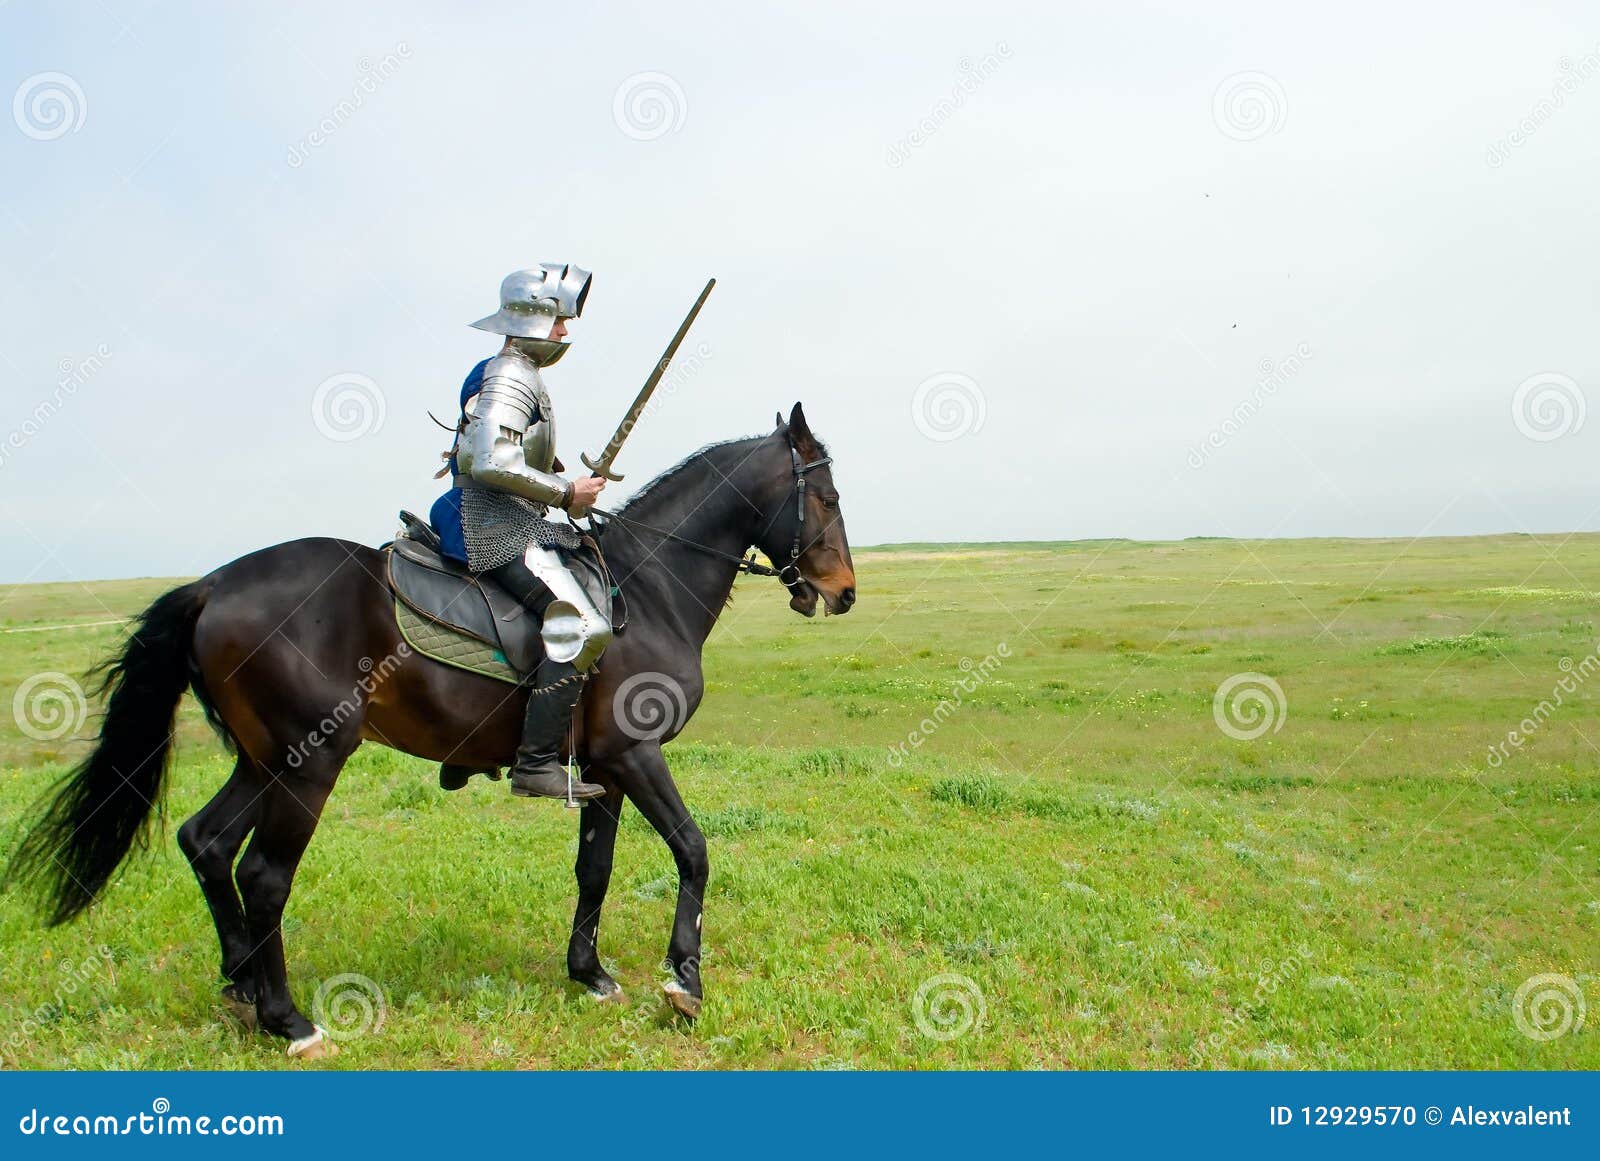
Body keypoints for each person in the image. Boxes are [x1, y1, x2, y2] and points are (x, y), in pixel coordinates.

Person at [429, 263, 612, 801]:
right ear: (533, 318)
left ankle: (472, 739)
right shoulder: (513, 373)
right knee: (584, 628)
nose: (563, 333)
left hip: (507, 511)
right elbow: (487, 461)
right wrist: (565, 494)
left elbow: (498, 452)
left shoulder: (515, 372)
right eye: (558, 321)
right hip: (486, 516)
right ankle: (534, 765)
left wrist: (554, 476)